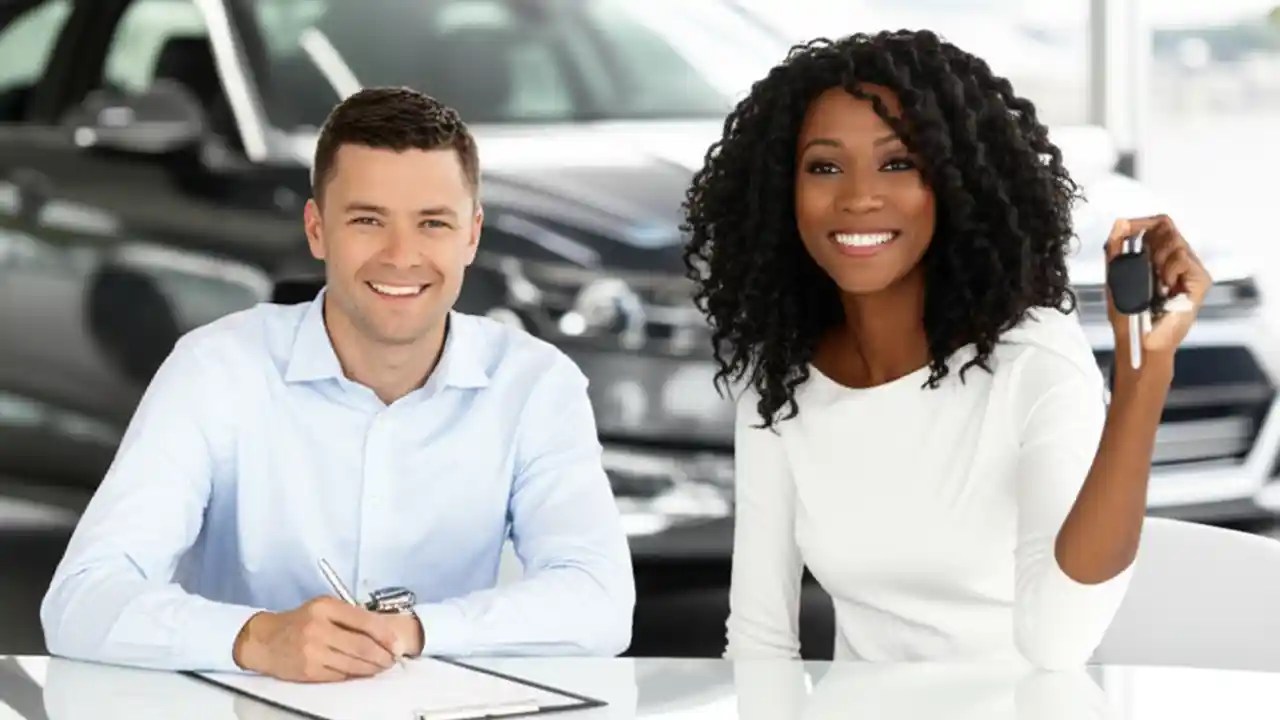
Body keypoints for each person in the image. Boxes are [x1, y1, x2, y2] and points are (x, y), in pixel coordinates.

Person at [41, 87, 635, 681]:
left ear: (471, 236)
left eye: (433, 223)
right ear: (317, 229)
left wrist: (413, 632)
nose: (402, 256)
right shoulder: (215, 369)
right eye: (368, 220)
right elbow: (82, 599)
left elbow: (599, 599)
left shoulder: (534, 384)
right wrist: (253, 638)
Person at [681, 30, 1211, 669]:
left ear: (960, 182)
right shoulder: (780, 377)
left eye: (898, 163)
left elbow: (1055, 642)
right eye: (824, 166)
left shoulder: (1034, 361)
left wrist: (1143, 374)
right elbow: (760, 642)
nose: (857, 197)